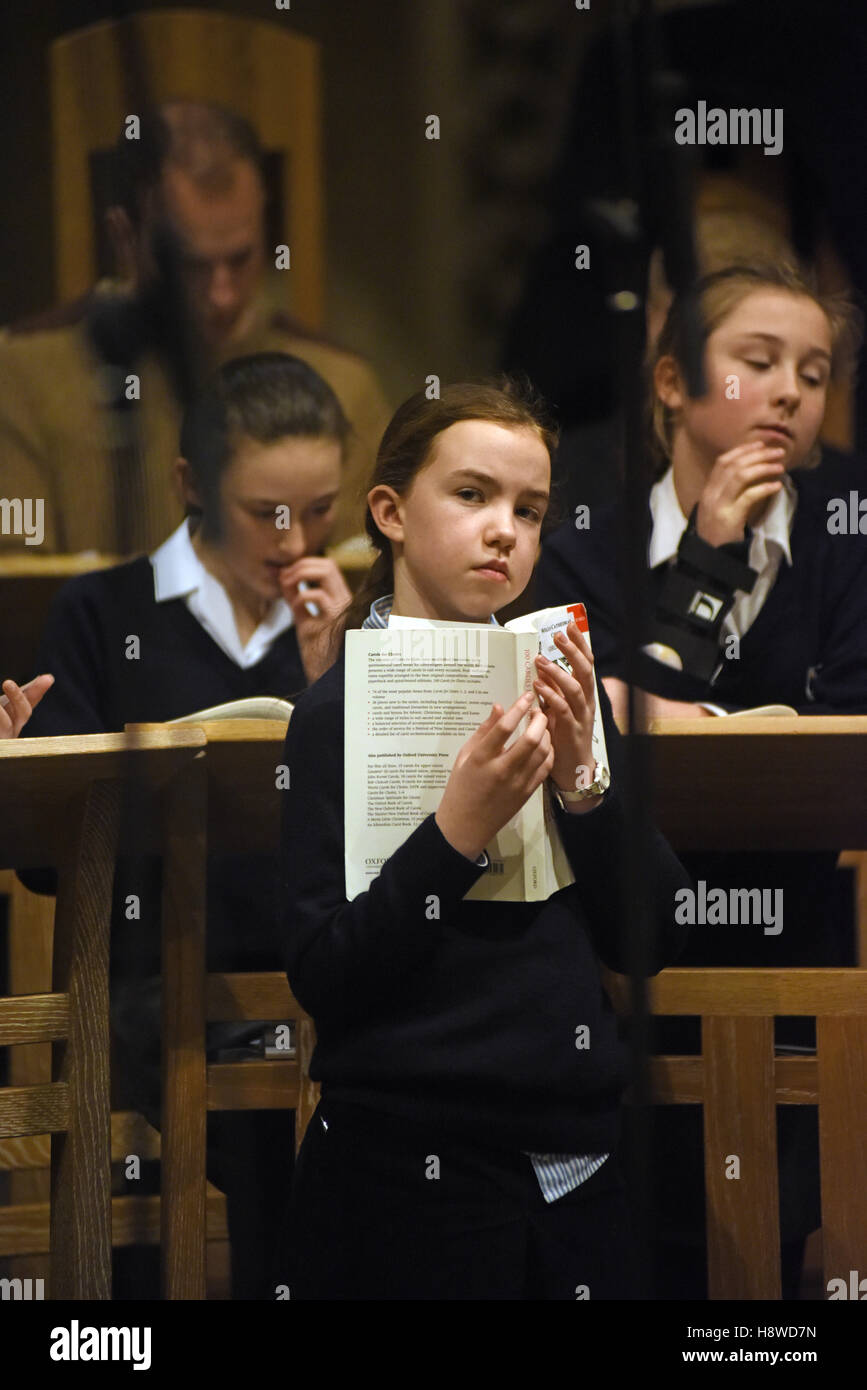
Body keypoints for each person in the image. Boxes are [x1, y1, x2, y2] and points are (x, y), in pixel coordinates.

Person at [279, 379, 691, 1301]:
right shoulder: (333, 714)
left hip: (576, 1163)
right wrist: (455, 832)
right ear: (390, 512)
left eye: (529, 509)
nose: (504, 529)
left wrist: (585, 782)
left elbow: (654, 939)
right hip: (404, 1169)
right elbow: (325, 974)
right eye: (471, 495)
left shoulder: (559, 686)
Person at [533, 262, 867, 1298]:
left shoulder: (847, 532)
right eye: (758, 362)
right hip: (622, 931)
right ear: (673, 382)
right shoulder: (584, 541)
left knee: (772, 1245)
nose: (790, 393)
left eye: (813, 372)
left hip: (797, 916)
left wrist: (670, 704)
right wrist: (709, 561)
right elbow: (599, 732)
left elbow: (847, 729)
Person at [23, 351, 354, 1298]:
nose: (296, 541)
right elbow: (50, 858)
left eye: (320, 510)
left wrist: (337, 682)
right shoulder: (105, 610)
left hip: (317, 975)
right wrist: (27, 772)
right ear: (191, 484)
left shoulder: (353, 617)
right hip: (154, 981)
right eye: (266, 512)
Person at [0, 100, 390, 555]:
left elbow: (369, 578)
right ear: (125, 238)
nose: (222, 294)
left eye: (240, 258)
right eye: (191, 266)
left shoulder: (342, 385)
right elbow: (17, 578)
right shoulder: (24, 377)